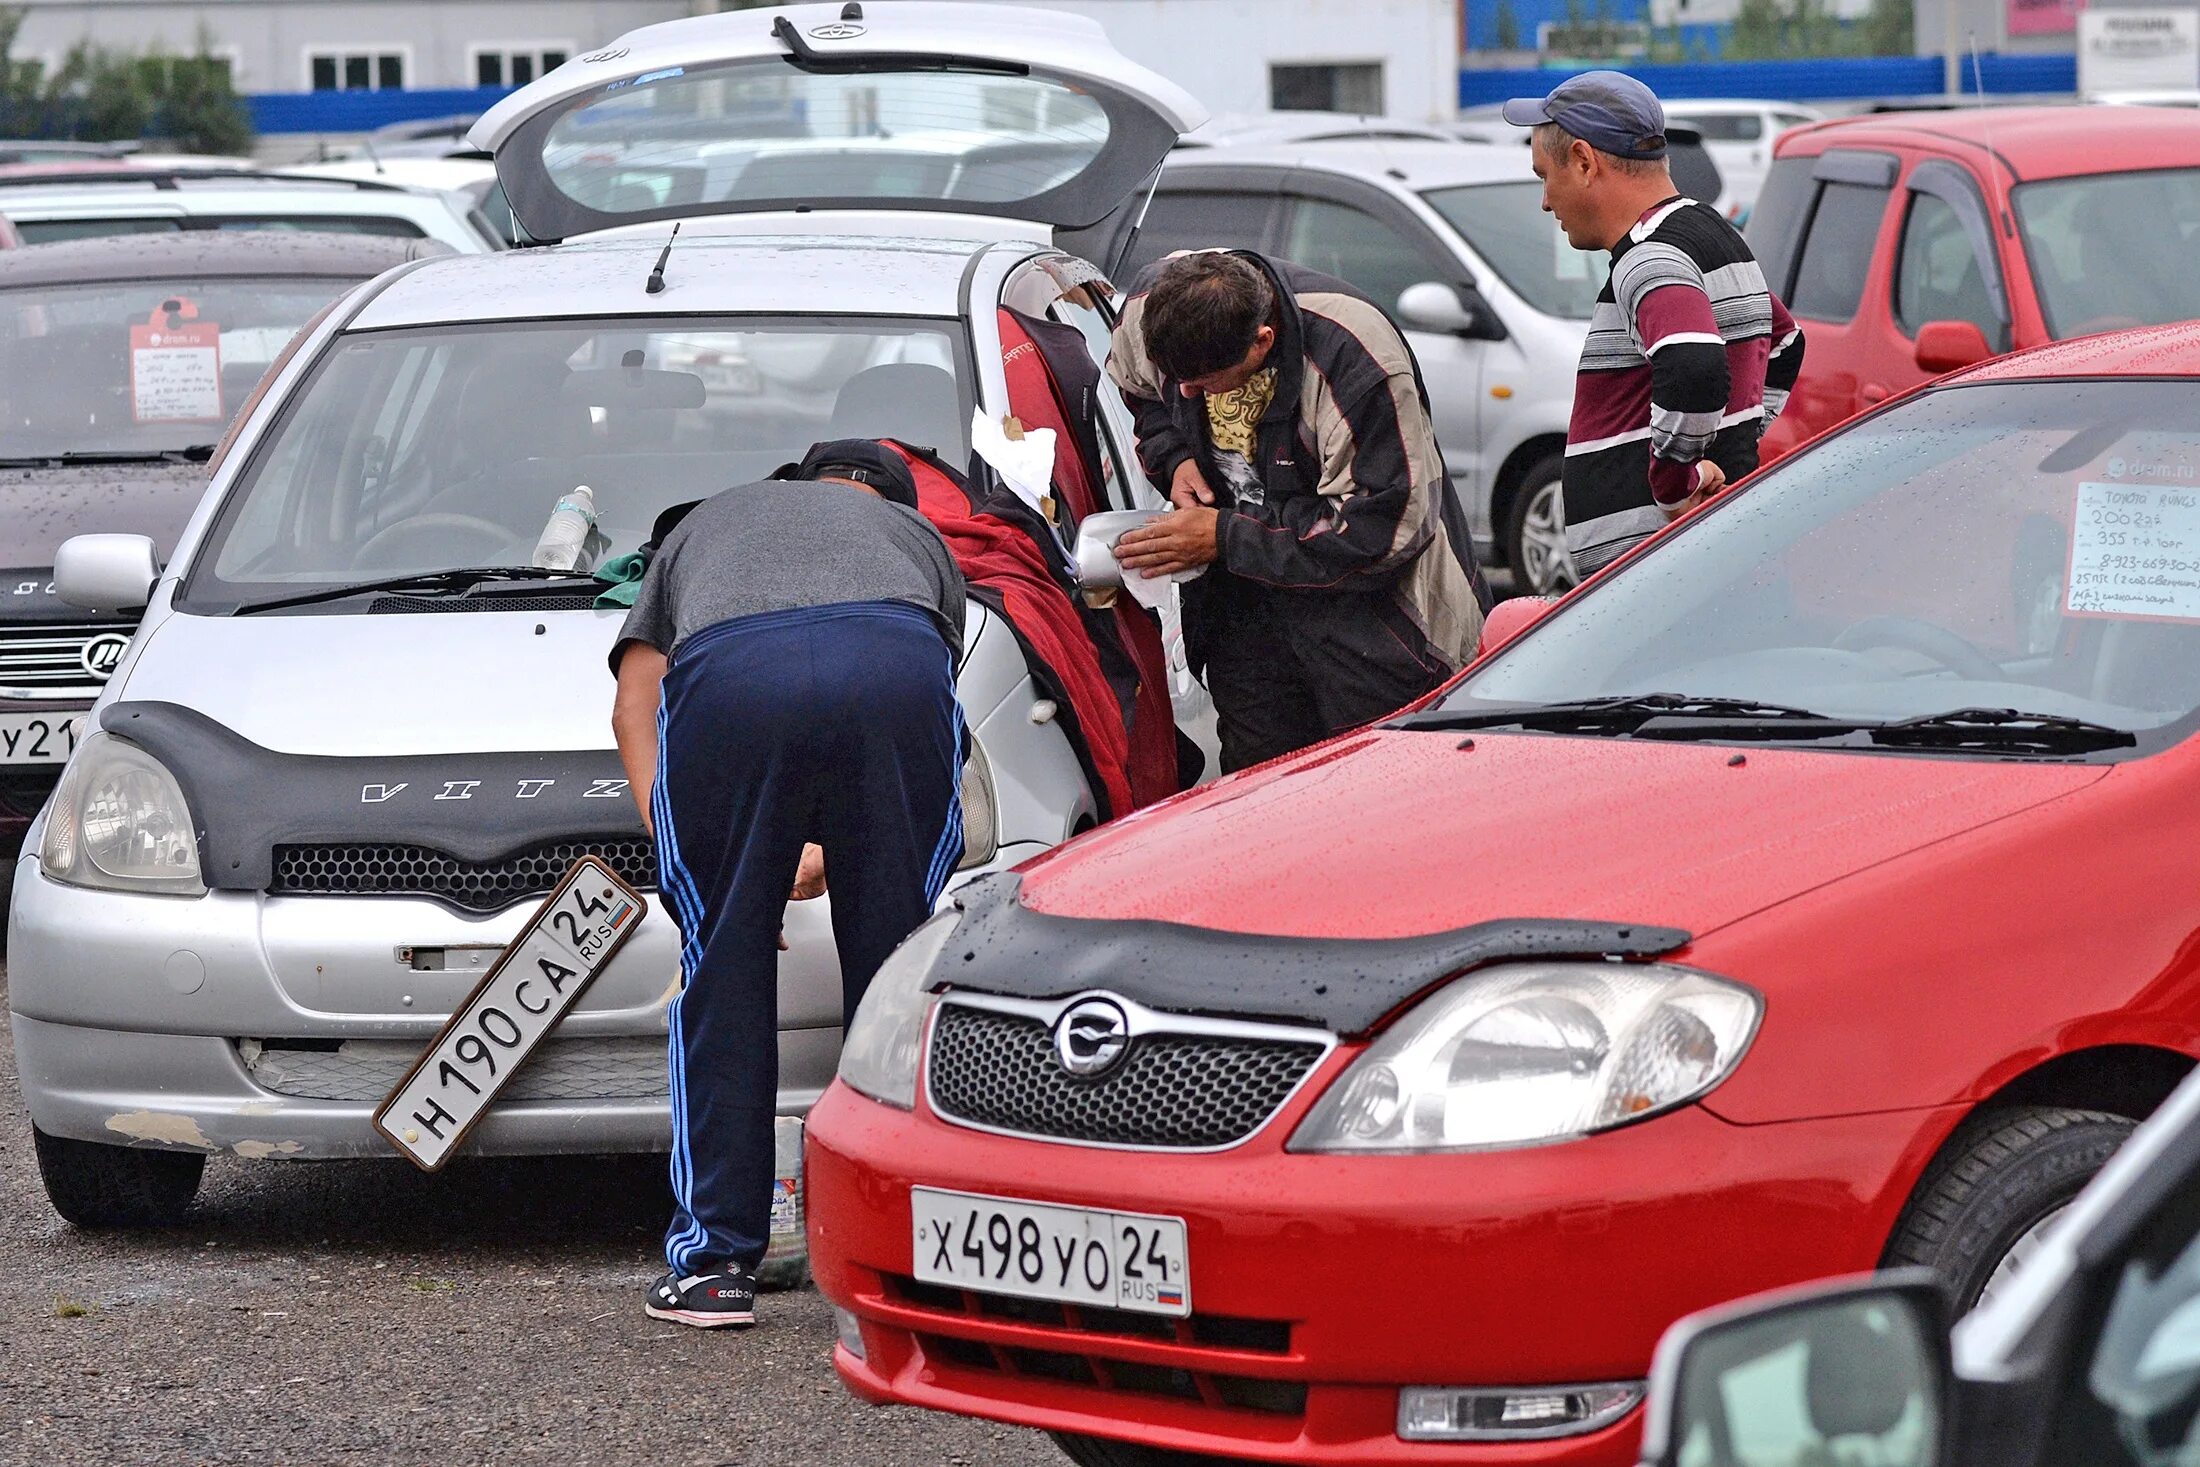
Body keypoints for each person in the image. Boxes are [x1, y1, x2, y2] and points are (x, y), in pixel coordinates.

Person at [608, 440, 966, 1329]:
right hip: (894, 660)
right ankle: (911, 1260)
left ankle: (713, 1265)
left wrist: (716, 875)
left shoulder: (707, 520)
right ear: (891, 501)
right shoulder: (912, 537)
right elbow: (913, 701)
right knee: (899, 973)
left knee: (722, 975)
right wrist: (830, 843)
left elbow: (635, 704)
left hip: (735, 673)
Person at [1105, 249, 1486, 773]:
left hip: (1378, 631)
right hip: (1242, 614)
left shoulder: (1355, 358)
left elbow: (1387, 530)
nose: (1189, 394)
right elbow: (1139, 389)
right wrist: (1176, 458)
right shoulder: (1148, 315)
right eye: (1179, 380)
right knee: (1260, 796)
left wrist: (1223, 538)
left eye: (1208, 380)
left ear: (1262, 341)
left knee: (1375, 800)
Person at [1503, 71, 1805, 576]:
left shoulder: (1648, 257)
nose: (1546, 201)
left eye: (1543, 176)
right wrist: (1732, 444)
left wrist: (1675, 483)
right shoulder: (1714, 235)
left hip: (1658, 580)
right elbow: (1786, 343)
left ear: (1582, 161)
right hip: (1704, 560)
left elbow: (1692, 365)